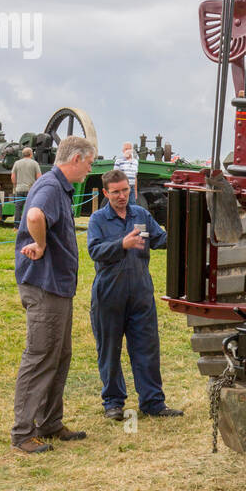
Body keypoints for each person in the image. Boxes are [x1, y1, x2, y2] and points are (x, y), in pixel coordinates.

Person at [10, 136, 96, 454]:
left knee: (59, 355)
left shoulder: (58, 187)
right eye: (88, 163)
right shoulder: (49, 187)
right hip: (45, 287)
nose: (89, 169)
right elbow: (34, 217)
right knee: (41, 356)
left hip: (57, 287)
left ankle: (49, 422)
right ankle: (22, 433)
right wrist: (42, 245)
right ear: (75, 159)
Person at [87, 169, 182, 420]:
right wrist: (121, 245)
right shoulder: (98, 220)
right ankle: (114, 403)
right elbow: (95, 251)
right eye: (116, 192)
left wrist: (186, 234)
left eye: (125, 190)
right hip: (109, 294)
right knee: (109, 349)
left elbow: (161, 239)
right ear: (106, 193)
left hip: (141, 293)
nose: (122, 196)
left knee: (146, 348)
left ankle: (153, 402)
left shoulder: (141, 214)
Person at [11, 147, 41, 225]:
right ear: (31, 154)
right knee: (30, 208)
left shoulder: (17, 163)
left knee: (18, 208)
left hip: (19, 189)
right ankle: (28, 225)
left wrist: (15, 186)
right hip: (31, 189)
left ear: (23, 154)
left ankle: (16, 226)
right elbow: (39, 177)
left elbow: (13, 177)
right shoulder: (34, 163)